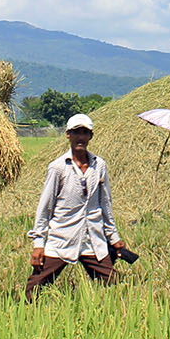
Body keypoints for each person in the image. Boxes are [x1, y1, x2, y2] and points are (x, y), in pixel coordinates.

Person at [26, 114, 126, 299]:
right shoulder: (58, 168)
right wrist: (38, 244)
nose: (81, 137)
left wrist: (113, 237)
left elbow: (106, 204)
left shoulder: (99, 165)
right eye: (76, 132)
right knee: (36, 287)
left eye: (85, 133)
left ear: (91, 136)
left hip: (92, 237)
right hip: (63, 236)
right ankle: (22, 313)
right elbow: (45, 208)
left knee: (114, 285)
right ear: (68, 135)